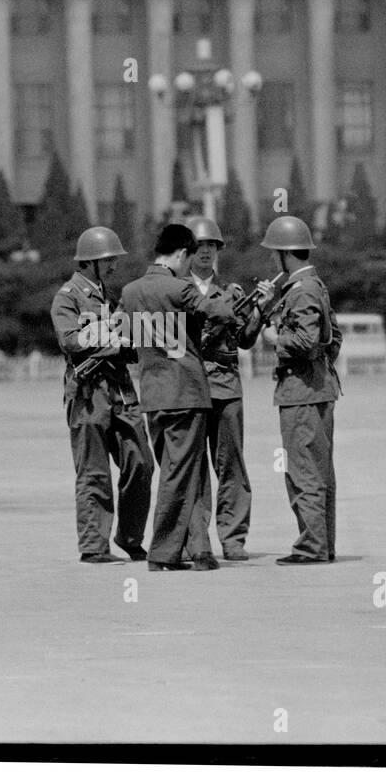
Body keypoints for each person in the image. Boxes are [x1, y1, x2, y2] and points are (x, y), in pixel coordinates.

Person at [118, 223, 238, 571]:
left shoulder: (130, 291)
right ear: (183, 253)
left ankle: (199, 551)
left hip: (153, 396)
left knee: (179, 472)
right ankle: (163, 552)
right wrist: (238, 300)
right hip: (186, 392)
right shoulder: (179, 288)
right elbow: (221, 313)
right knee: (181, 474)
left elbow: (128, 344)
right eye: (190, 257)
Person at [50, 226, 153, 564]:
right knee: (93, 471)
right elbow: (70, 339)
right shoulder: (68, 295)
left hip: (121, 391)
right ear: (90, 262)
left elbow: (127, 343)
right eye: (108, 260)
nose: (113, 265)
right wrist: (106, 337)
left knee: (141, 462)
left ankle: (130, 535)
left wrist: (129, 341)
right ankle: (94, 545)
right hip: (88, 394)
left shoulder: (109, 296)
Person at [254, 216, 342, 565]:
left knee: (303, 470)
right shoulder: (314, 285)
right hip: (319, 388)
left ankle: (311, 546)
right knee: (321, 471)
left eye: (272, 253)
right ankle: (324, 543)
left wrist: (276, 339)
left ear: (284, 255)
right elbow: (334, 336)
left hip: (300, 392)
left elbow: (306, 340)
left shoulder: (302, 289)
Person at [182, 215, 262, 562]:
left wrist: (257, 313)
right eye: (199, 246)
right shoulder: (176, 291)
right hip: (188, 388)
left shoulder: (232, 293)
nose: (205, 252)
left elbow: (245, 340)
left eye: (211, 246)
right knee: (193, 467)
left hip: (226, 387)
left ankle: (233, 538)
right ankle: (196, 540)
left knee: (231, 465)